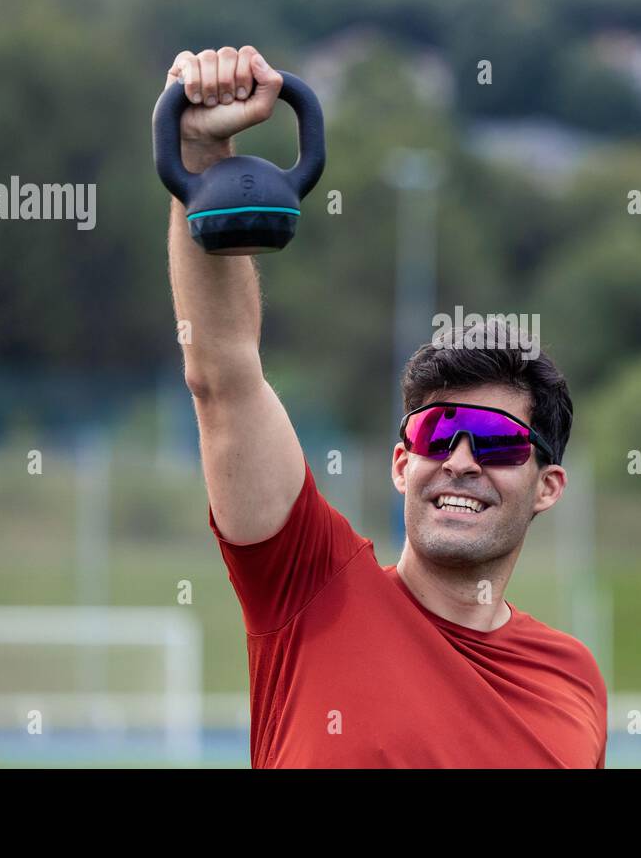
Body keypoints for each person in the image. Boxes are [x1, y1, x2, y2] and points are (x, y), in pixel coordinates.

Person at [163, 45, 607, 768]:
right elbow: (223, 374)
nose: (460, 460)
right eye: (439, 432)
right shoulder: (310, 589)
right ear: (403, 462)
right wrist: (204, 162)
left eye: (496, 442)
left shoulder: (573, 680)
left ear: (547, 485)